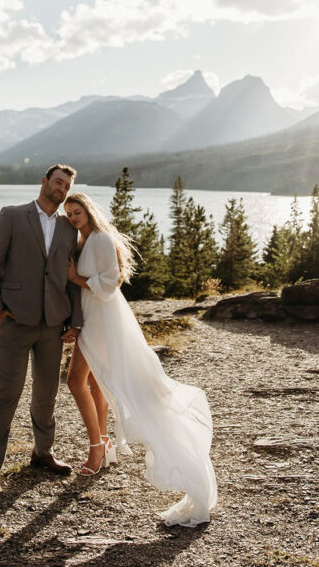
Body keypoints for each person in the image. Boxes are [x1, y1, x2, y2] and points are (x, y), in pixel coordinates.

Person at [65, 191, 217, 527]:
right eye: (69, 214)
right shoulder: (84, 240)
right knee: (94, 381)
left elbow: (109, 284)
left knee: (78, 380)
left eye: (77, 211)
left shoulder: (101, 239)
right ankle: (102, 445)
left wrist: (77, 278)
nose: (73, 217)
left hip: (104, 319)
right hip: (92, 319)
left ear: (88, 211)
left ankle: (97, 447)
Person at [0, 164, 82, 497]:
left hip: (53, 325)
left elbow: (71, 278)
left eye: (66, 186)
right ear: (44, 182)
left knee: (46, 394)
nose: (61, 189)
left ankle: (43, 452)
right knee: (5, 393)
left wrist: (74, 320)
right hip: (15, 321)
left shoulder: (69, 229)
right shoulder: (12, 215)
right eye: (57, 182)